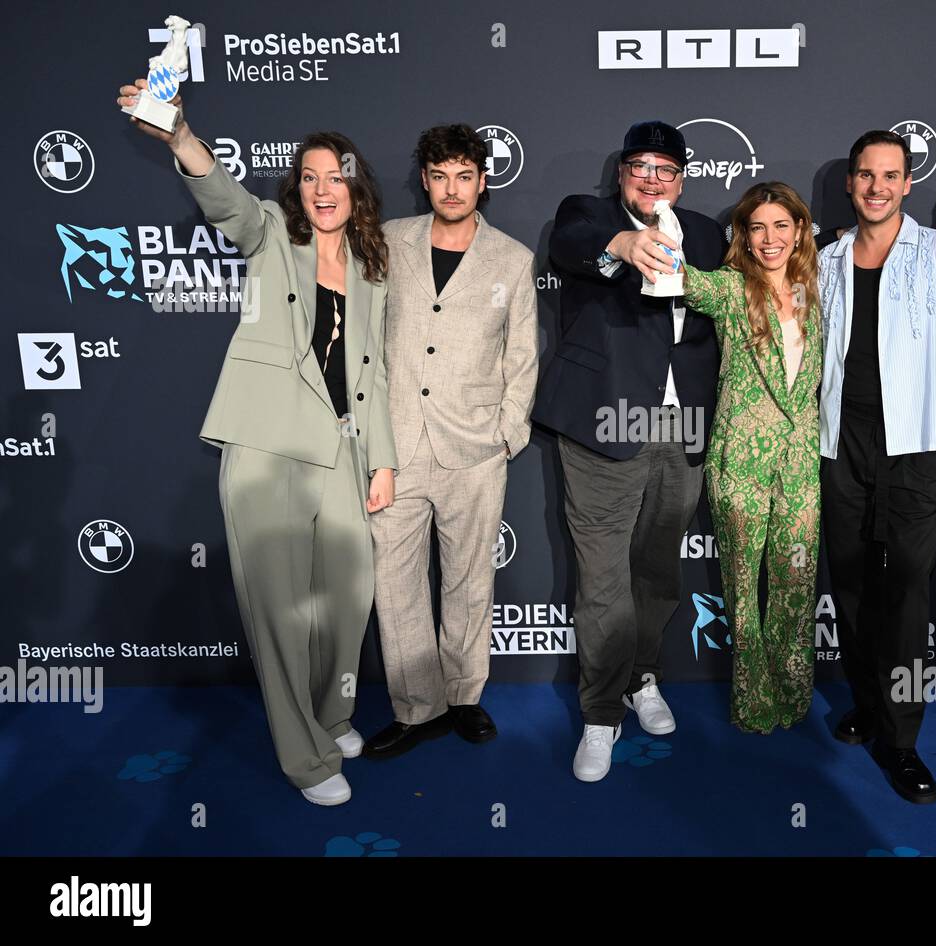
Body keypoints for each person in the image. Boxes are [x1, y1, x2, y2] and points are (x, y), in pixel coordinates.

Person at [117, 79, 397, 806]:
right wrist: (180, 136)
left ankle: (331, 715)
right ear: (296, 190)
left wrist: (384, 458)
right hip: (266, 449)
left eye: (335, 175)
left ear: (356, 187)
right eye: (308, 176)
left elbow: (377, 373)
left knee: (346, 599)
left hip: (341, 448)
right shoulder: (273, 231)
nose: (321, 187)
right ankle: (305, 758)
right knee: (279, 609)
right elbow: (223, 199)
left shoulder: (373, 269)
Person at [533, 121, 726, 782]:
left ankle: (644, 677)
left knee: (657, 573)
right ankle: (600, 714)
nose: (652, 179)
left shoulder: (707, 233)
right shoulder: (586, 215)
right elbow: (575, 245)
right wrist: (625, 243)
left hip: (682, 428)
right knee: (604, 579)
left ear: (682, 177)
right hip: (603, 425)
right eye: (639, 167)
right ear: (621, 173)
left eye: (665, 170)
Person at [819, 130, 936, 804]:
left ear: (907, 183)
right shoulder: (828, 256)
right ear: (851, 182)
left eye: (890, 176)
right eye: (866, 175)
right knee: (855, 589)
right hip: (842, 447)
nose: (877, 187)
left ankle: (904, 741)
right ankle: (867, 706)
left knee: (905, 598)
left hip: (917, 449)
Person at [364, 125, 539, 758]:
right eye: (440, 176)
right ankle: (417, 708)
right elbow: (364, 341)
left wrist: (506, 436)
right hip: (395, 448)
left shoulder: (514, 260)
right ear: (426, 181)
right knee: (396, 582)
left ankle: (464, 697)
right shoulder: (387, 243)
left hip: (475, 450)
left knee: (469, 582)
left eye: (464, 176)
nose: (451, 188)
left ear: (482, 181)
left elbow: (522, 357)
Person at [681, 183, 822, 733]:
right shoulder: (731, 289)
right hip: (739, 459)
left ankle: (794, 694)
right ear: (743, 234)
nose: (769, 239)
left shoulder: (818, 290)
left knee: (796, 584)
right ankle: (754, 701)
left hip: (801, 462)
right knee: (742, 588)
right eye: (757, 227)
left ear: (798, 231)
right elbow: (683, 281)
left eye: (781, 226)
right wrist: (652, 234)